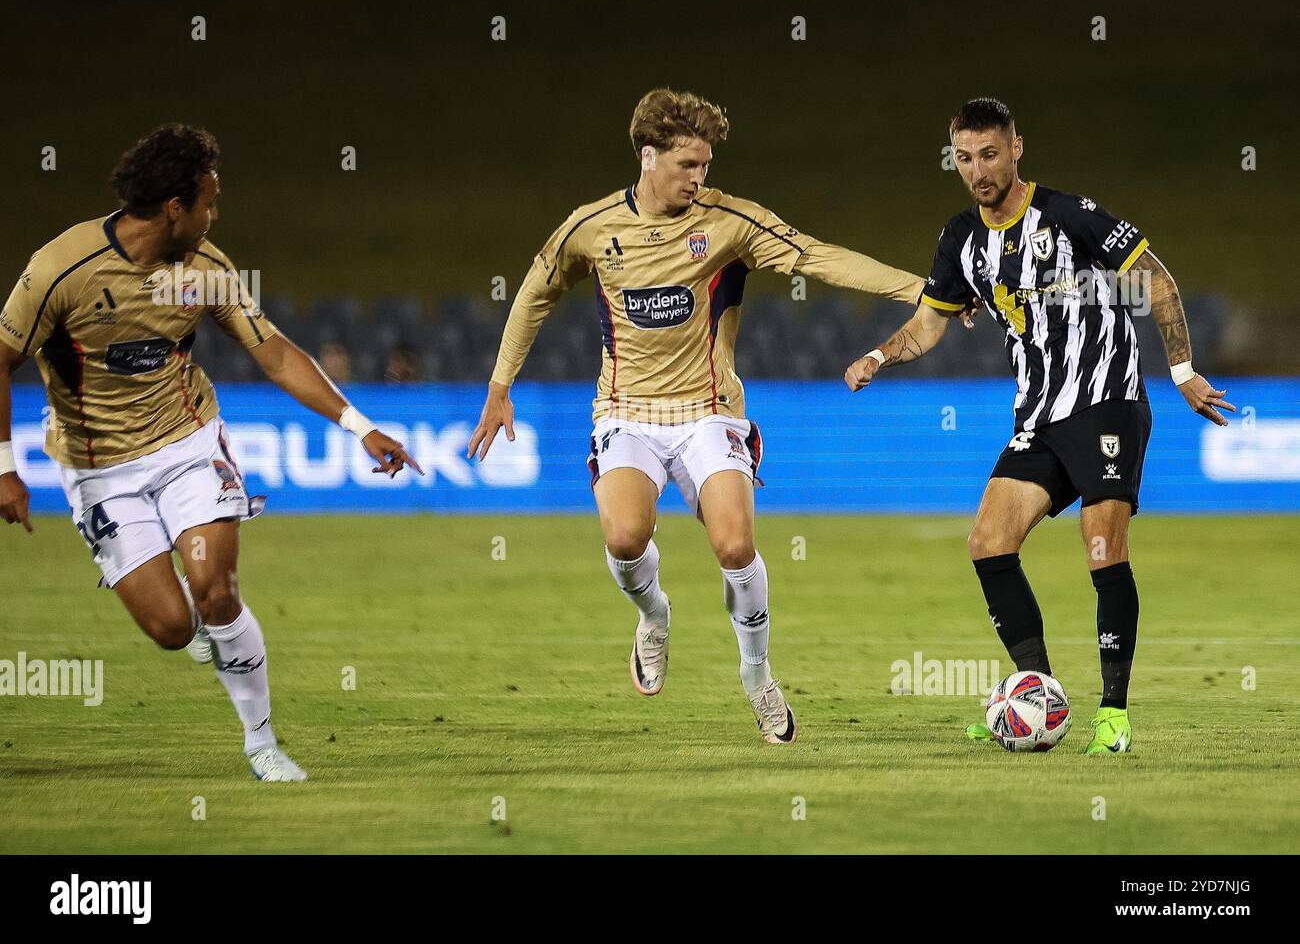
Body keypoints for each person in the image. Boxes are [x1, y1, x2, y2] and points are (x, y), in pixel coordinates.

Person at [469, 88, 949, 742]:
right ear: (649, 156)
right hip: (625, 410)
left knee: (734, 543)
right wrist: (500, 385)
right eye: (688, 165)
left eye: (706, 165)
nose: (701, 178)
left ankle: (758, 677)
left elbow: (818, 255)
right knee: (624, 539)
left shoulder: (730, 222)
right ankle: (655, 616)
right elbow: (532, 296)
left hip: (709, 411)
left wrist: (922, 289)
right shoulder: (592, 227)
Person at [0, 124, 422, 780]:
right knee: (172, 627)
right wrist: (4, 467)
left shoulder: (207, 271)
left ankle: (262, 743)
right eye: (209, 201)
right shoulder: (62, 269)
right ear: (176, 208)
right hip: (97, 468)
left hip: (188, 445)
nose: (214, 214)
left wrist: (358, 424)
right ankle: (195, 630)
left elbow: (277, 354)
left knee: (217, 591)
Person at [844, 98, 1234, 754]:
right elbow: (929, 322)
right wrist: (882, 354)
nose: (978, 170)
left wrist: (1184, 369)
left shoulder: (1071, 216)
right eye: (964, 158)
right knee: (988, 543)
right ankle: (1040, 700)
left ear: (1017, 148)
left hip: (1108, 400)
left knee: (1102, 548)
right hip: (1040, 418)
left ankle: (1114, 713)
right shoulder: (960, 240)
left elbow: (1156, 279)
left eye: (989, 154)